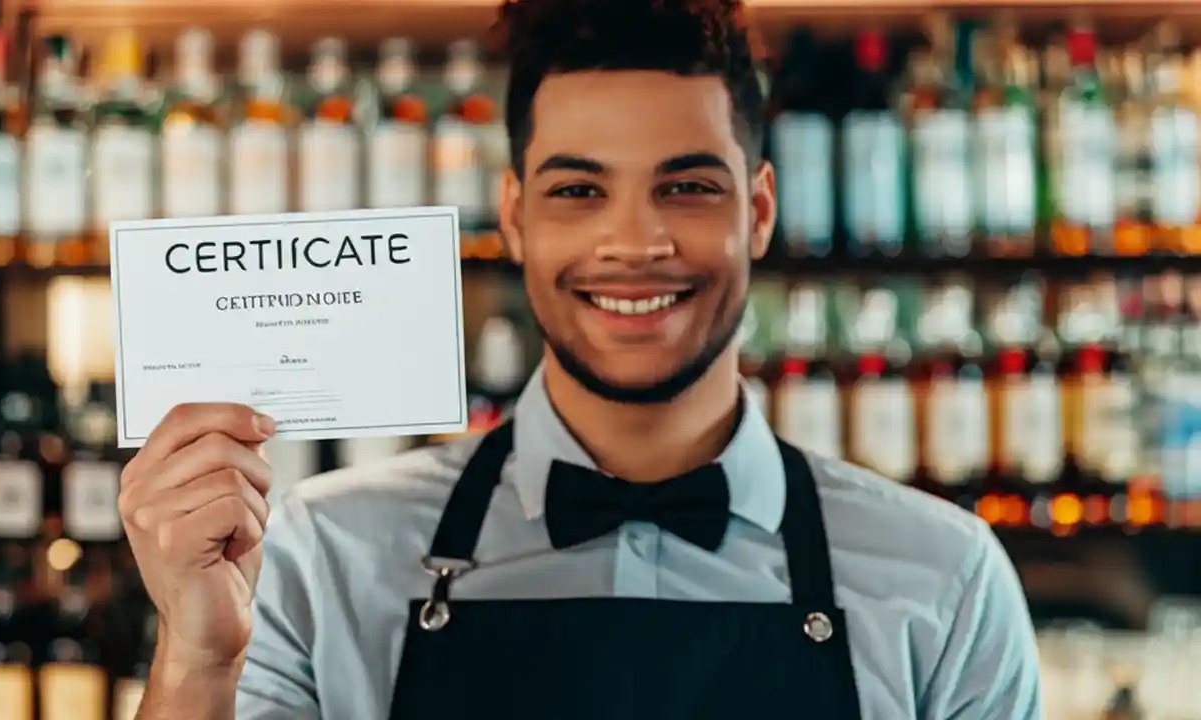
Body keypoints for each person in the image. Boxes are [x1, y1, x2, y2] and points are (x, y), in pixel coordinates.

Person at [120, 0, 1042, 718]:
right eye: (578, 190)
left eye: (685, 187)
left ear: (757, 211)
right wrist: (196, 663)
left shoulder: (946, 578)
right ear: (515, 214)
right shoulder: (321, 558)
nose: (633, 242)